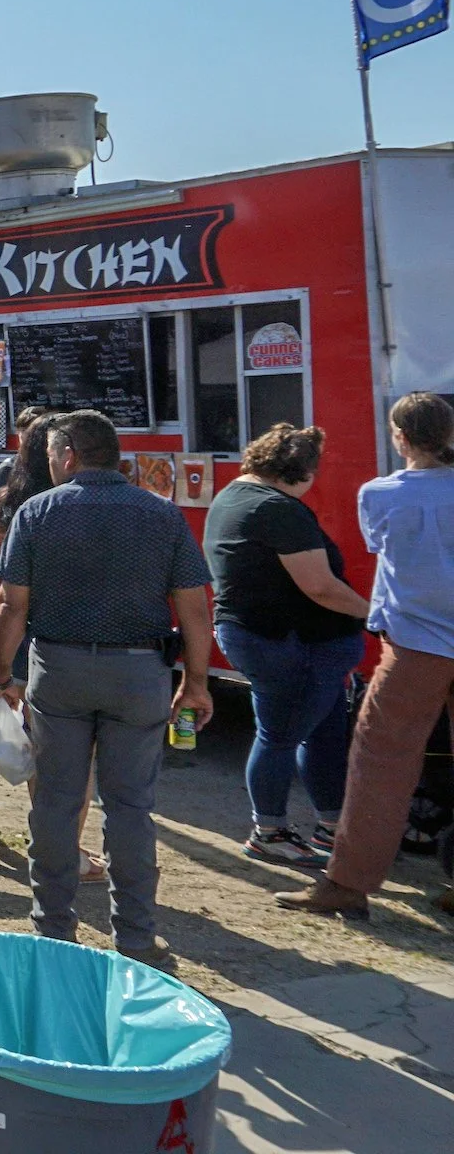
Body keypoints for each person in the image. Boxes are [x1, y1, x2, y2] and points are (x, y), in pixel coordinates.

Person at [0, 410, 213, 961]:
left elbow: (9, 604)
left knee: (57, 803)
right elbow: (194, 608)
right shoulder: (163, 514)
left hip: (59, 671)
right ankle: (135, 936)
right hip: (140, 674)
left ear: (67, 456)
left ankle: (53, 928)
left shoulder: (39, 512)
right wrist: (197, 682)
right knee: (131, 807)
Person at [279, 392, 454, 921]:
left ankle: (349, 885)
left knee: (381, 763)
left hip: (416, 643)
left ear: (399, 437)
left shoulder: (379, 493)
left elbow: (380, 548)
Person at [200, 424, 370, 865]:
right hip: (282, 641)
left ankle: (332, 829)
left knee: (322, 731)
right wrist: (376, 614)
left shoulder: (233, 496)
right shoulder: (278, 509)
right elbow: (320, 587)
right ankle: (269, 832)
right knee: (279, 736)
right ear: (300, 472)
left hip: (269, 636)